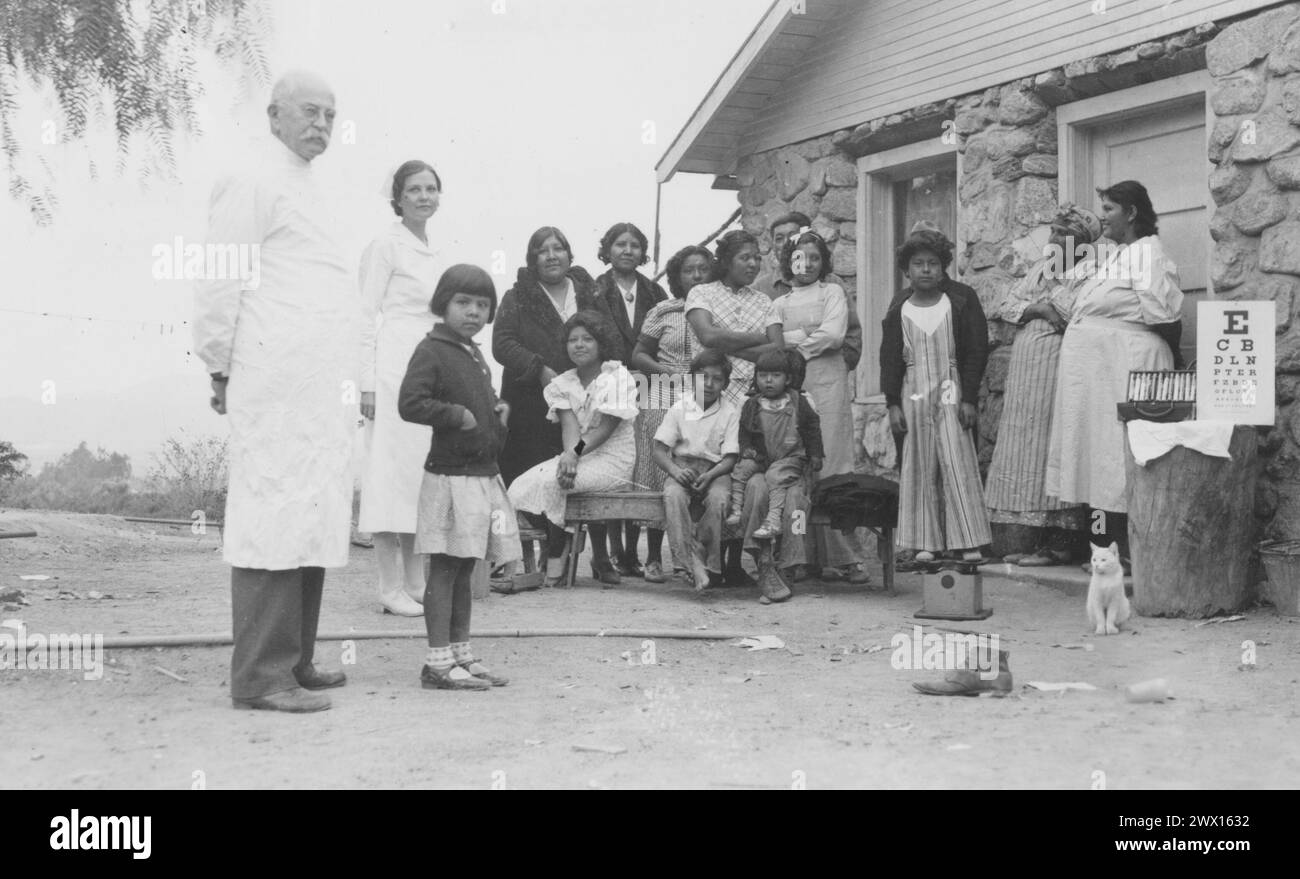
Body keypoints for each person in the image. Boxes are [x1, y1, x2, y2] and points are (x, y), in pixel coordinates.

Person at [194, 70, 353, 713]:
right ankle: (260, 676)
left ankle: (296, 659)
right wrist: (219, 364)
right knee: (273, 511)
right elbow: (218, 282)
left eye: (330, 116)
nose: (320, 125)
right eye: (309, 112)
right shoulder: (252, 179)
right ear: (273, 116)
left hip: (316, 385)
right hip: (272, 375)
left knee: (310, 510)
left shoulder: (310, 187)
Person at [1045, 180, 1184, 558]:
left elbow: (1165, 317)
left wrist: (1169, 368)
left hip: (1127, 368)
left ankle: (1125, 552)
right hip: (1099, 375)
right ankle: (1101, 549)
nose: (1102, 217)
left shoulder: (1148, 253)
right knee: (1097, 461)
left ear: (1132, 213)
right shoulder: (1122, 254)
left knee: (1117, 460)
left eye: (1109, 209)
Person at [398, 264, 520, 690]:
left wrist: (496, 408)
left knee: (467, 568)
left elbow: (478, 398)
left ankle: (461, 654)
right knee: (445, 569)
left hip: (480, 476)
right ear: (442, 304)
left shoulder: (473, 353)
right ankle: (436, 662)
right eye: (463, 302)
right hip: (449, 479)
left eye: (482, 305)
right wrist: (456, 415)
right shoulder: (431, 349)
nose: (473, 312)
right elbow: (410, 403)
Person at [985, 205, 1101, 567]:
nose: (1052, 239)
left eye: (1061, 234)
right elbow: (1005, 304)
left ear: (1080, 241)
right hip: (1026, 369)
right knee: (1028, 449)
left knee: (1056, 446)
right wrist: (1039, 309)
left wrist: (1043, 306)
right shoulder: (1040, 269)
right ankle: (1040, 542)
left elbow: (1072, 313)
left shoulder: (1089, 272)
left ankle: (1063, 542)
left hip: (1060, 365)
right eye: (1052, 231)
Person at [357, 160, 442, 616]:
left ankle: (415, 581)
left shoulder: (432, 248)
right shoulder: (385, 245)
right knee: (388, 474)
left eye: (431, 189)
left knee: (418, 474)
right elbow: (364, 315)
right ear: (398, 196)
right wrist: (366, 383)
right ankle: (388, 587)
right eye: (414, 190)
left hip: (428, 367)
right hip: (390, 368)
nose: (424, 197)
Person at [881, 227, 992, 563]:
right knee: (920, 461)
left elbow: (976, 351)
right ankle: (926, 541)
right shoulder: (899, 304)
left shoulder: (960, 298)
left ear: (943, 266)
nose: (926, 270)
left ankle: (968, 540)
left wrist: (969, 398)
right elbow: (888, 357)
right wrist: (891, 403)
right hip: (912, 391)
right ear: (907, 270)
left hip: (951, 388)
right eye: (918, 264)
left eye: (932, 263)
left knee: (957, 460)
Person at [507, 311, 639, 586]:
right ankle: (560, 541)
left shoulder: (618, 376)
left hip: (613, 459)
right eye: (572, 340)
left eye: (587, 339)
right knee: (519, 486)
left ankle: (559, 551)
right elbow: (570, 427)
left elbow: (606, 429)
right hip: (579, 453)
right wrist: (570, 457)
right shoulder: (563, 383)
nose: (579, 345)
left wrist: (574, 455)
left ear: (600, 343)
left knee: (553, 482)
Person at [769, 229, 870, 584]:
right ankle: (803, 556)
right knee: (798, 463)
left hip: (828, 382)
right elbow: (774, 339)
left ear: (822, 261)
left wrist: (795, 347)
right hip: (795, 384)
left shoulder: (833, 292)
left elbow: (833, 335)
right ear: (788, 262)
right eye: (799, 258)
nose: (806, 264)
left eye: (814, 258)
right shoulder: (780, 300)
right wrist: (793, 348)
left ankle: (845, 557)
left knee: (832, 464)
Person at [686, 230, 783, 585]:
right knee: (718, 473)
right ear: (726, 261)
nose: (754, 263)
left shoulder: (765, 302)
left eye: (757, 257)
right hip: (713, 398)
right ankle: (708, 561)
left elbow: (778, 354)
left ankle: (734, 562)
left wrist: (729, 341)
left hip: (753, 401)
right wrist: (759, 342)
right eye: (745, 257)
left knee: (748, 473)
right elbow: (707, 338)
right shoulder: (702, 294)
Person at [492, 227, 600, 486]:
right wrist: (538, 369)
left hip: (582, 398)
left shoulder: (588, 293)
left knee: (576, 470)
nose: (552, 256)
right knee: (530, 476)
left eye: (558, 249)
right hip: (532, 403)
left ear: (569, 255)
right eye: (543, 251)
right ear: (533, 259)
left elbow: (607, 336)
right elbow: (502, 343)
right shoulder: (516, 296)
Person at [631, 244, 713, 583]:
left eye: (703, 269)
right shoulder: (662, 310)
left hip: (706, 389)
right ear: (677, 276)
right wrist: (668, 373)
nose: (696, 275)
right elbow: (638, 356)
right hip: (662, 387)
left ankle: (694, 555)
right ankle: (652, 557)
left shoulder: (715, 307)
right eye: (688, 270)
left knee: (700, 458)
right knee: (656, 454)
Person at [591, 222, 668, 578]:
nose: (627, 250)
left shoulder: (655, 291)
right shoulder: (595, 289)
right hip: (611, 381)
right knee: (617, 460)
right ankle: (615, 552)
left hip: (648, 383)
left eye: (634, 245)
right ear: (607, 250)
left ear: (643, 252)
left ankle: (642, 553)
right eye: (619, 244)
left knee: (642, 460)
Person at [652, 348, 740, 589]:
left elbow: (730, 458)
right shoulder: (680, 407)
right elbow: (659, 451)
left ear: (726, 383)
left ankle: (708, 563)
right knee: (673, 495)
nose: (709, 384)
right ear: (692, 378)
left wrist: (711, 475)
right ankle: (686, 563)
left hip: (716, 470)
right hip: (682, 468)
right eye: (703, 377)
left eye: (717, 379)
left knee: (719, 499)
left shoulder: (730, 412)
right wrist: (676, 471)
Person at [730, 349, 824, 541]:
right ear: (756, 378)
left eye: (776, 375)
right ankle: (738, 513)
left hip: (792, 464)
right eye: (763, 376)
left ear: (789, 379)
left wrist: (815, 454)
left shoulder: (800, 401)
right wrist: (747, 449)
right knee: (747, 477)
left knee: (794, 502)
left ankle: (780, 532)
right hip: (763, 462)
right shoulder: (751, 403)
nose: (769, 381)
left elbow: (812, 428)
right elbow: (744, 431)